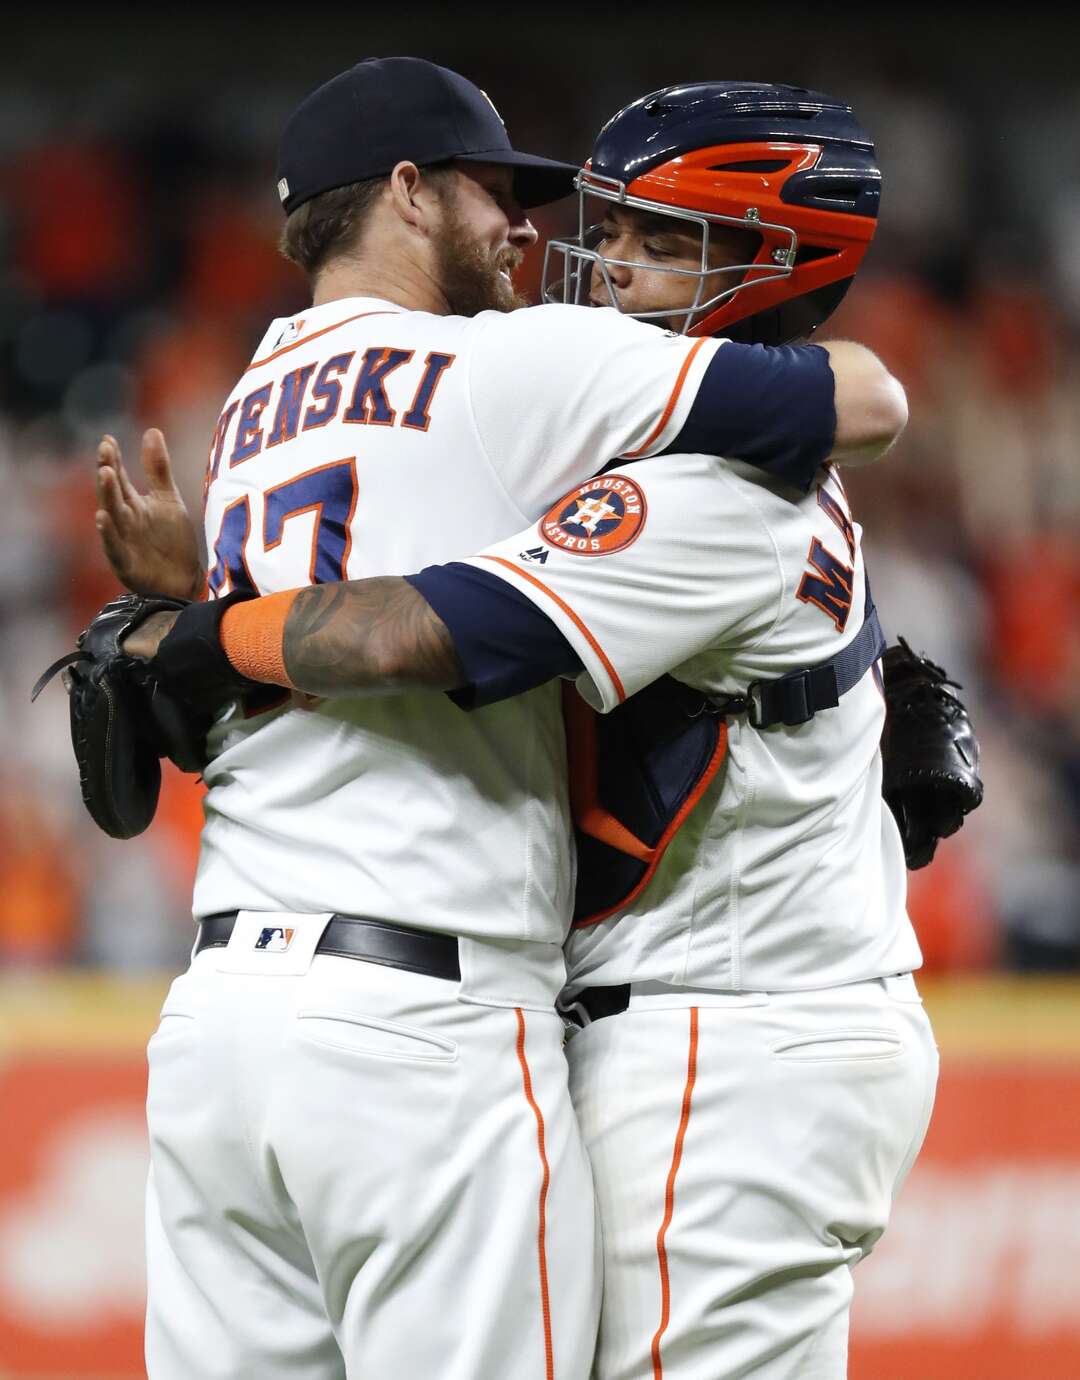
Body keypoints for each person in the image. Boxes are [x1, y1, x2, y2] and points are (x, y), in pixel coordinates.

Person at [95, 63, 907, 1380]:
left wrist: (193, 616)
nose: (534, 233)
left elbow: (320, 616)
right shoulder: (510, 358)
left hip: (219, 1024)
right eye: (494, 192)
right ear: (408, 192)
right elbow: (865, 402)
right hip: (428, 1016)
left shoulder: (248, 398)